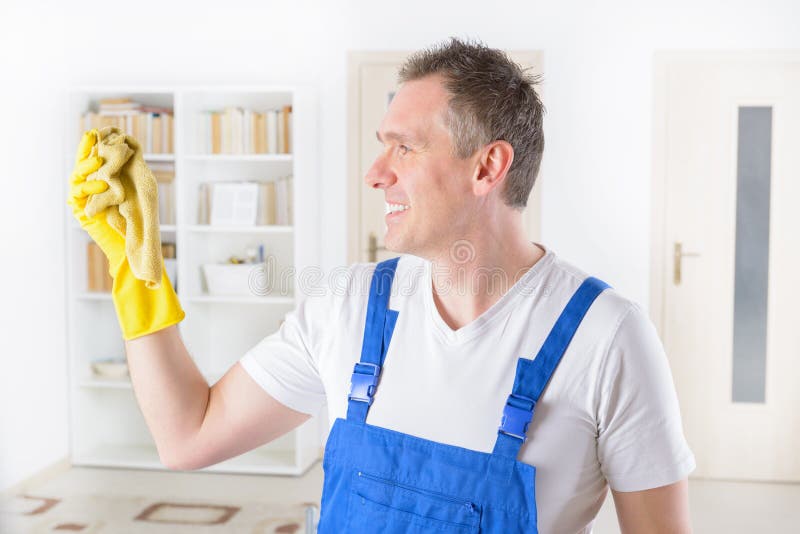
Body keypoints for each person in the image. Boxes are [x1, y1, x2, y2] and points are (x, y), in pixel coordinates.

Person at [68, 38, 694, 533]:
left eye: (404, 148)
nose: (375, 173)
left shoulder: (606, 337)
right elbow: (187, 436)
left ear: (487, 166)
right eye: (381, 147)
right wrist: (136, 273)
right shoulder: (347, 307)